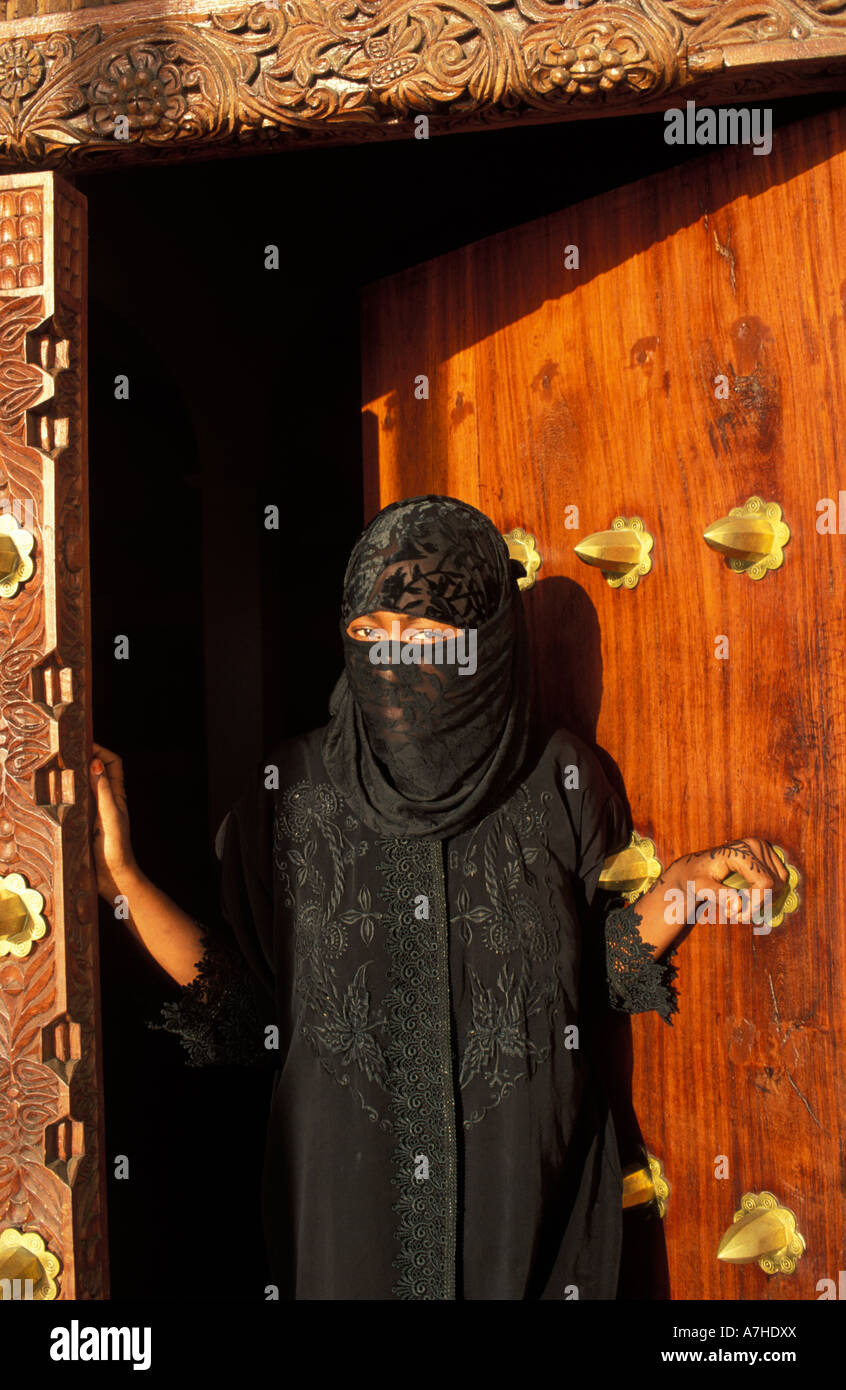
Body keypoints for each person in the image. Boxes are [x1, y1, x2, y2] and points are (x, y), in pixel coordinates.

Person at [89, 494, 787, 1300]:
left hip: (527, 1229)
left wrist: (684, 889)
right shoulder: (294, 796)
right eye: (372, 637)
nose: (395, 667)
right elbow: (248, 1013)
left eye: (426, 642)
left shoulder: (557, 783)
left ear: (485, 649)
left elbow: (583, 980)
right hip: (347, 1238)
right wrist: (127, 884)